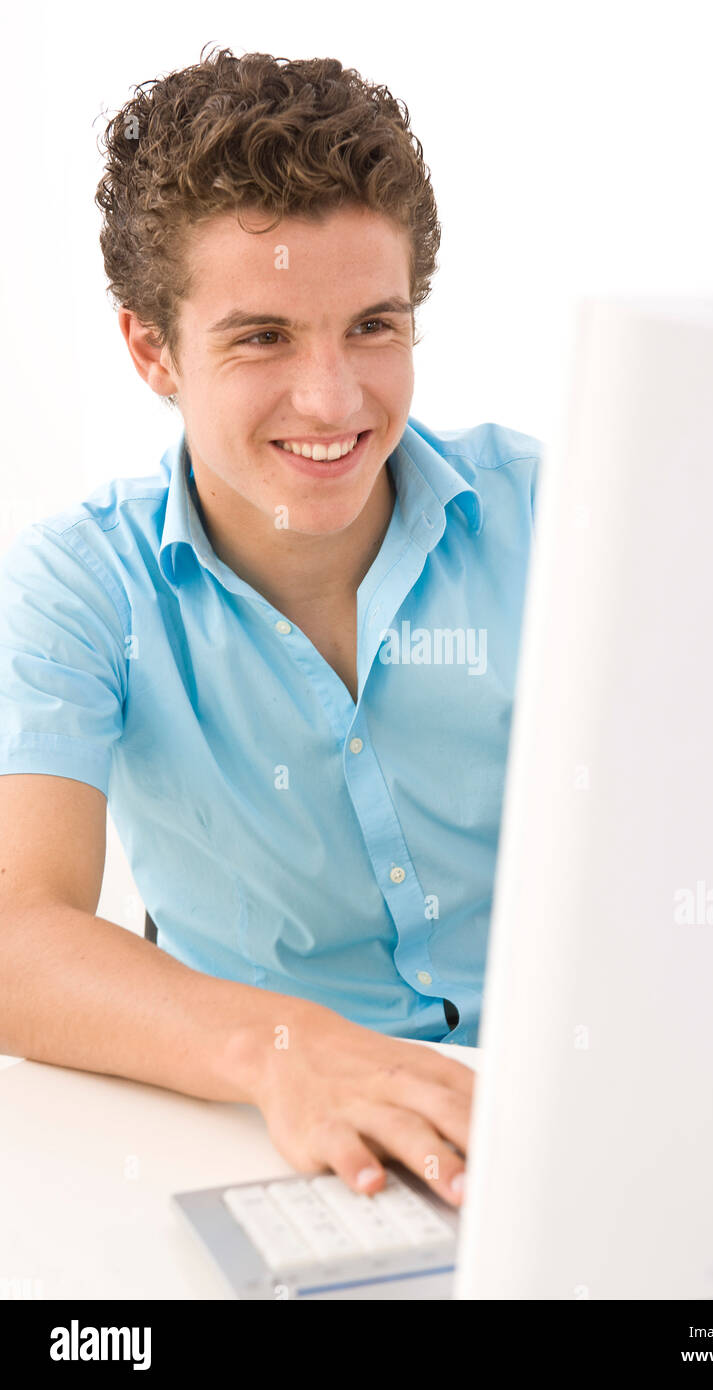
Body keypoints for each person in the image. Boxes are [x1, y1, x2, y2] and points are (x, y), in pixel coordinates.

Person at [0, 46, 542, 1205]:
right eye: (261, 338)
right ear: (153, 349)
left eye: (371, 326)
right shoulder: (79, 585)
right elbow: (15, 937)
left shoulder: (557, 514)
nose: (334, 401)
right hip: (274, 1145)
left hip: (569, 1113)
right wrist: (287, 1050)